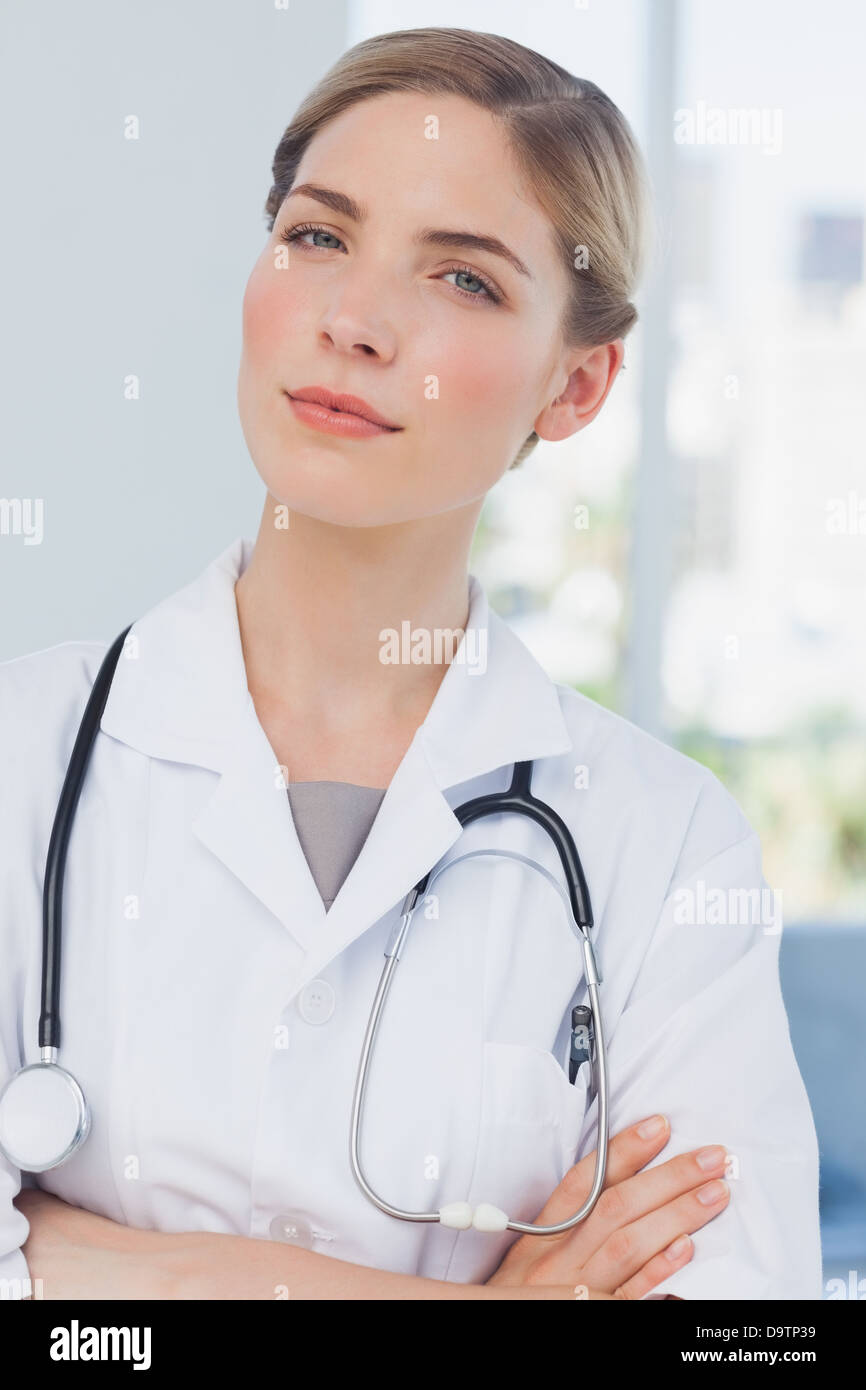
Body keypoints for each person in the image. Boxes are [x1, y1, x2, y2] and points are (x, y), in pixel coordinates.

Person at [0, 27, 820, 1301]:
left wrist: (71, 1253)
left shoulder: (662, 850)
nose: (352, 320)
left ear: (576, 385)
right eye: (319, 235)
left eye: (464, 280)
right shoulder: (23, 749)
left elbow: (738, 1322)